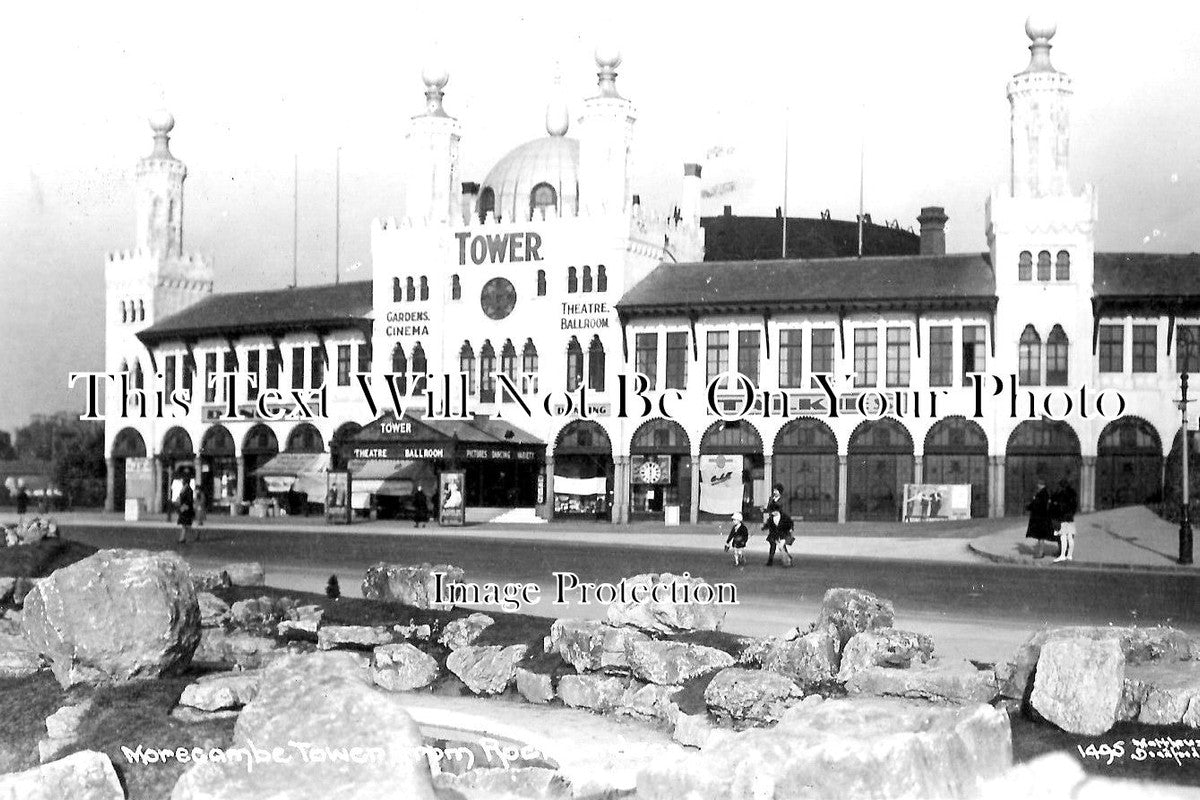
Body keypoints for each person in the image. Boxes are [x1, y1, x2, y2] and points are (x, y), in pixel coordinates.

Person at [1025, 478, 1056, 558]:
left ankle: (1041, 553)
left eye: (1038, 484)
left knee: (1041, 536)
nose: (1037, 485)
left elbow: (1037, 505)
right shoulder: (1043, 493)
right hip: (1042, 518)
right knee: (1040, 537)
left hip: (1040, 518)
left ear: (1041, 485)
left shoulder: (1042, 494)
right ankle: (1040, 552)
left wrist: (1029, 506)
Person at [1052, 478, 1079, 563]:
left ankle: (1062, 555)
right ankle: (1070, 555)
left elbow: (1060, 506)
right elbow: (1075, 505)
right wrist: (1072, 513)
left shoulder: (1062, 494)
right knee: (1070, 537)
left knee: (1063, 537)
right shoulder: (1073, 493)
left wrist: (1057, 510)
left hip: (1063, 517)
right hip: (1070, 517)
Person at [176, 480, 195, 544]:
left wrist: (184, 506)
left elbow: (189, 501)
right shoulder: (184, 489)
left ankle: (182, 538)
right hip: (184, 509)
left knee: (185, 524)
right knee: (185, 525)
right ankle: (183, 538)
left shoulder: (189, 490)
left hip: (186, 510)